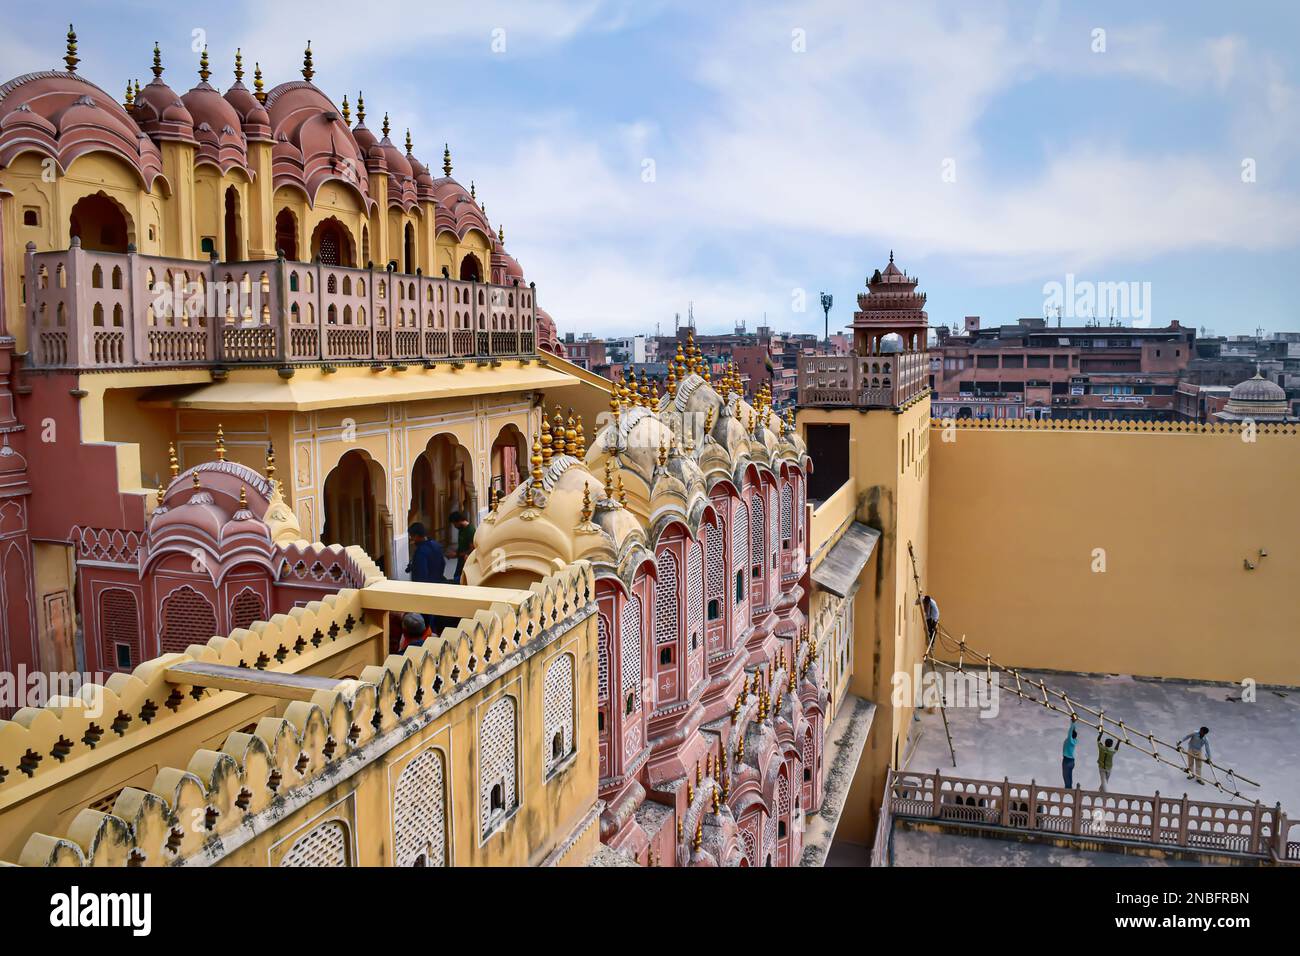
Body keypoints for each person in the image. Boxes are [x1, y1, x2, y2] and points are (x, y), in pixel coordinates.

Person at [406, 522, 445, 630]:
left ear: (417, 536)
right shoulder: (435, 544)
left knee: (427, 616)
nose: (411, 539)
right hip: (438, 582)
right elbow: (443, 563)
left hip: (425, 588)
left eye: (412, 536)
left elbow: (421, 574)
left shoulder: (421, 552)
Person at [445, 510, 476, 584]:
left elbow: (472, 549)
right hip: (460, 559)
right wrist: (455, 553)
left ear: (458, 521)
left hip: (466, 560)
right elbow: (461, 545)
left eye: (454, 524)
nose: (454, 526)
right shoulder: (461, 529)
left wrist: (456, 555)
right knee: (457, 577)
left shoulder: (470, 530)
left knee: (461, 579)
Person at [1062, 716, 1079, 788]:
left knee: (1066, 775)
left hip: (1067, 760)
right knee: (1069, 775)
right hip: (1071, 761)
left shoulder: (1070, 740)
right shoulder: (1074, 741)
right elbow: (1072, 731)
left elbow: (1070, 732)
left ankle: (1068, 788)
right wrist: (1074, 724)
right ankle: (1069, 787)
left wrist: (1073, 722)